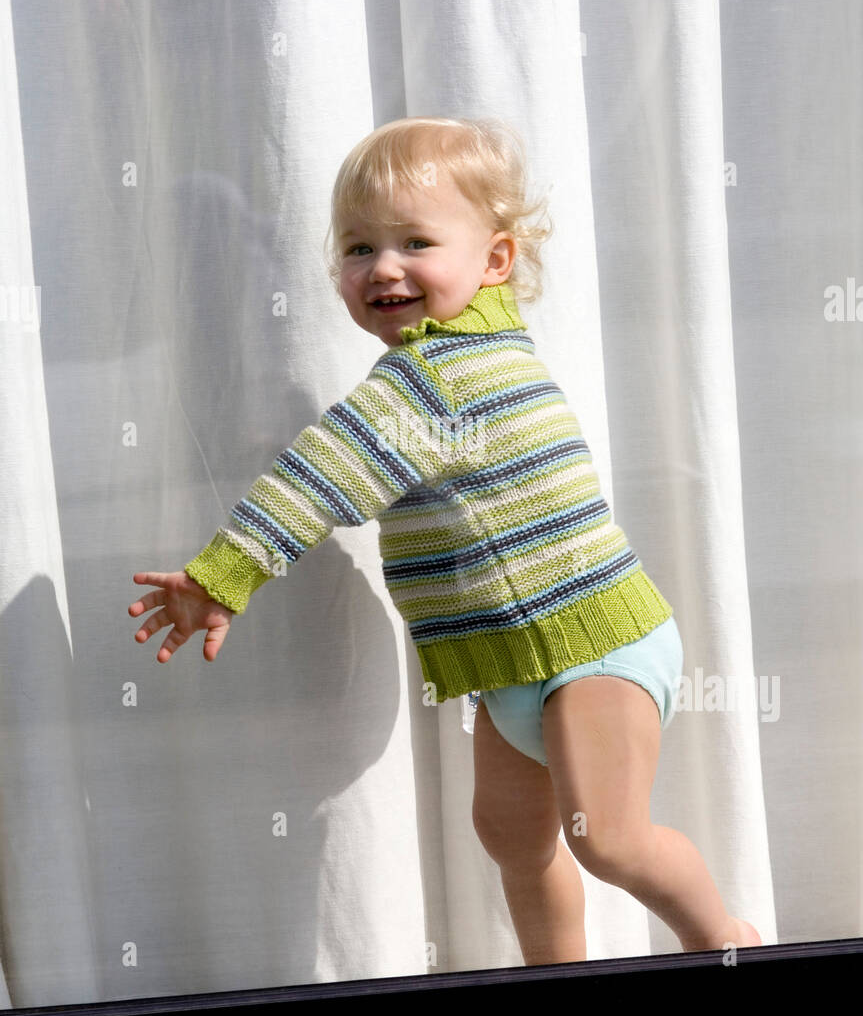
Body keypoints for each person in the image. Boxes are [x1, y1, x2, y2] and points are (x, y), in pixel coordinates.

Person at [128, 115, 761, 964]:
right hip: (510, 664)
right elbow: (339, 462)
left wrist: (223, 574)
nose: (382, 267)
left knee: (606, 838)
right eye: (357, 248)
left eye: (415, 241)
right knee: (511, 838)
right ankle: (556, 976)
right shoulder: (458, 351)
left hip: (593, 644)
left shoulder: (437, 378)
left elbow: (317, 477)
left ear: (495, 260)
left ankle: (724, 943)